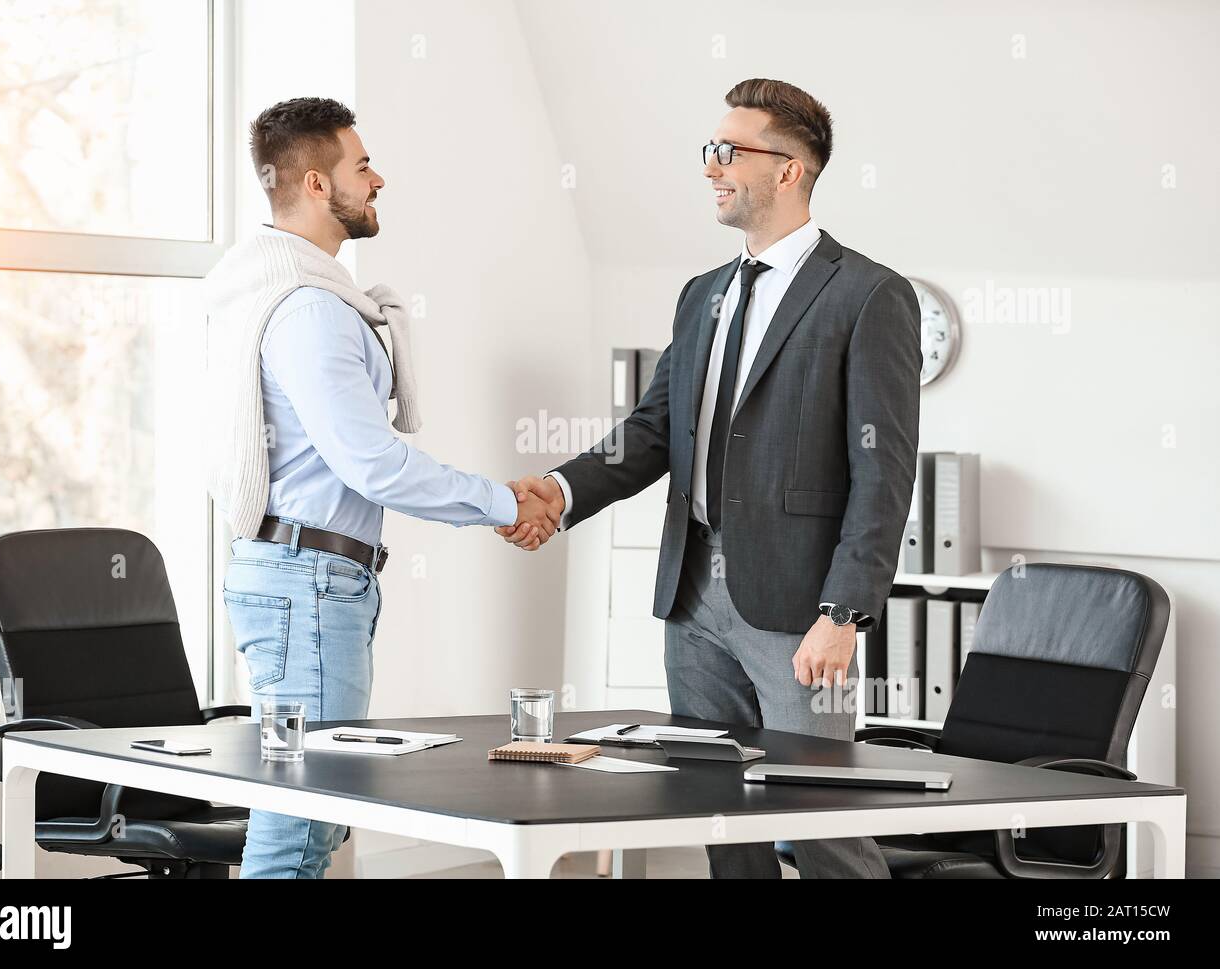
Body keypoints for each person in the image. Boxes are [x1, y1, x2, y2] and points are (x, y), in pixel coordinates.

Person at [499, 78, 921, 879]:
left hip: (800, 612)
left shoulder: (868, 296)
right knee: (721, 819)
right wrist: (560, 491)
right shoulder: (703, 296)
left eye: (730, 151)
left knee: (822, 815)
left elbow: (884, 470)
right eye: (710, 150)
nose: (711, 168)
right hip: (692, 599)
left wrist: (844, 611)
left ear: (790, 168)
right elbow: (655, 429)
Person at [205, 97, 557, 878]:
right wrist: (503, 502)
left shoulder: (290, 291)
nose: (379, 179)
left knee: (313, 807)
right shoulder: (311, 313)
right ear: (316, 184)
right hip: (309, 581)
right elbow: (373, 464)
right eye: (362, 166)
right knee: (304, 812)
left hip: (307, 577)